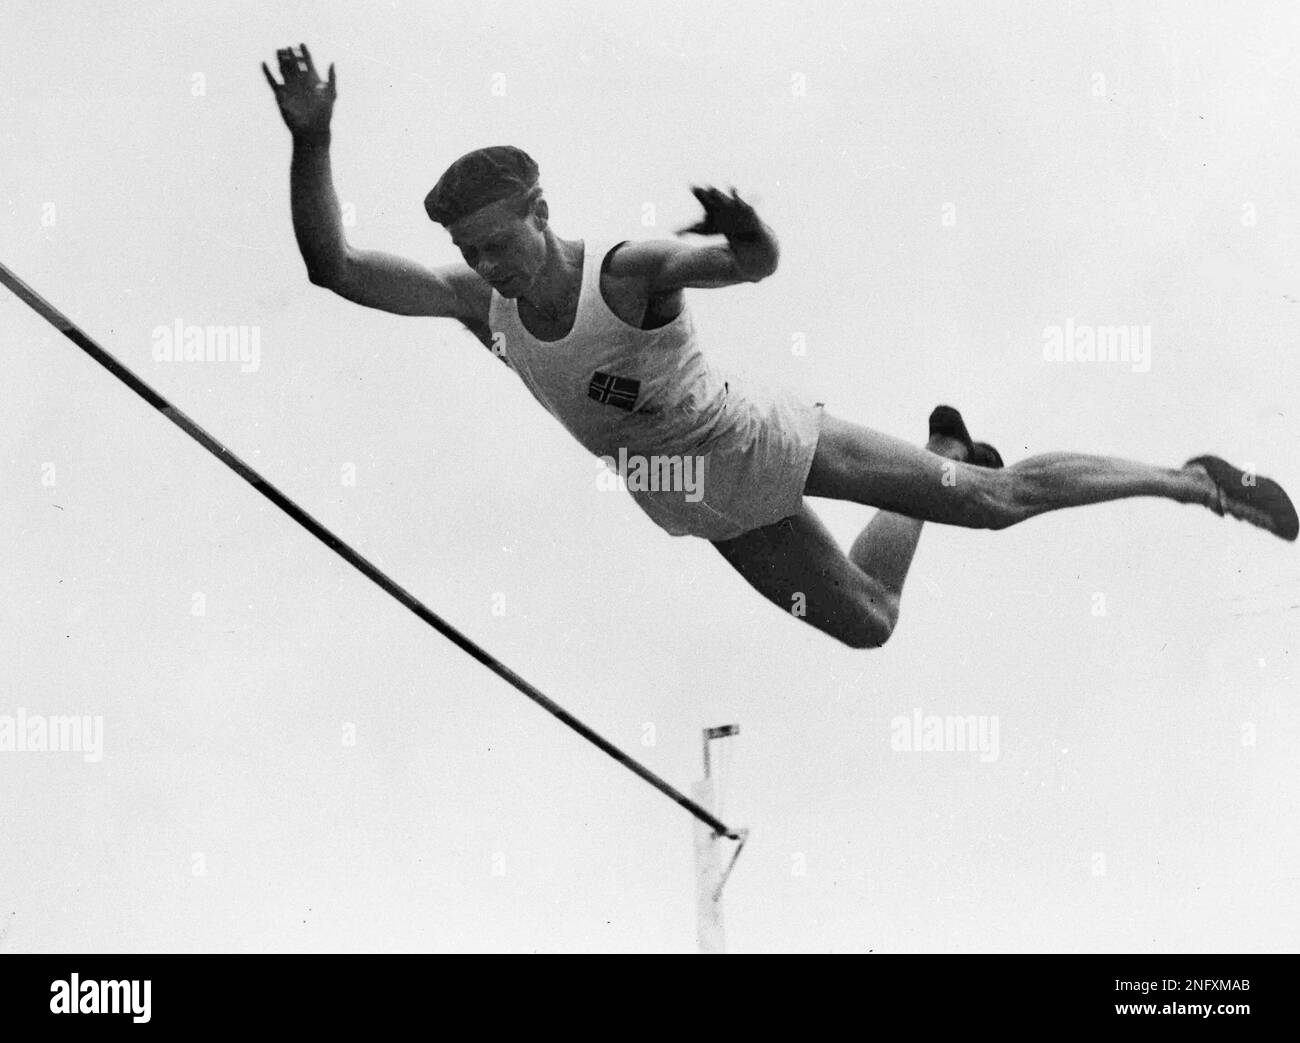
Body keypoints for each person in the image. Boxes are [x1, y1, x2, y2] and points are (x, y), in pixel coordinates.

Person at [263, 44, 1297, 649]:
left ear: (541, 210)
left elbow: (741, 265)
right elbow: (334, 266)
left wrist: (744, 234)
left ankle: (1191, 479)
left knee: (992, 506)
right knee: (870, 622)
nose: (491, 268)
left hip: (762, 439)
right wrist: (313, 140)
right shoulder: (471, 303)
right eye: (472, 253)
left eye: (501, 243)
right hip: (690, 494)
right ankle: (943, 456)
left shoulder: (623, 268)